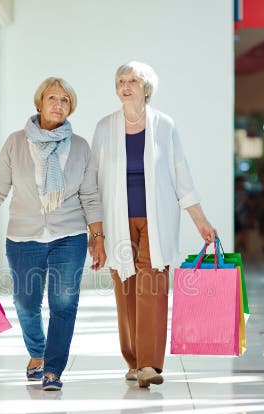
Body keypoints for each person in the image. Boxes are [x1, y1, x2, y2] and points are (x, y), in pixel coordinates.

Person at [0, 77, 106, 392]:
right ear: (39, 103)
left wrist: (98, 238)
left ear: (71, 108)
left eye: (65, 100)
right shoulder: (15, 142)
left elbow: (90, 196)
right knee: (26, 302)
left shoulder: (79, 146)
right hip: (23, 236)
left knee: (64, 303)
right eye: (52, 98)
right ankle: (37, 351)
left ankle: (53, 369)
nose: (58, 104)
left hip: (70, 234)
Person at [90, 61, 216, 389]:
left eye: (132, 79)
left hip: (156, 219)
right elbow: (92, 183)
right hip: (117, 219)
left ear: (147, 87)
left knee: (153, 286)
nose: (125, 85)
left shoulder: (164, 126)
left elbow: (181, 175)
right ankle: (132, 360)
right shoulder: (105, 127)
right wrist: (96, 233)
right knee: (126, 286)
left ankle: (149, 363)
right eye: (121, 79)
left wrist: (200, 221)